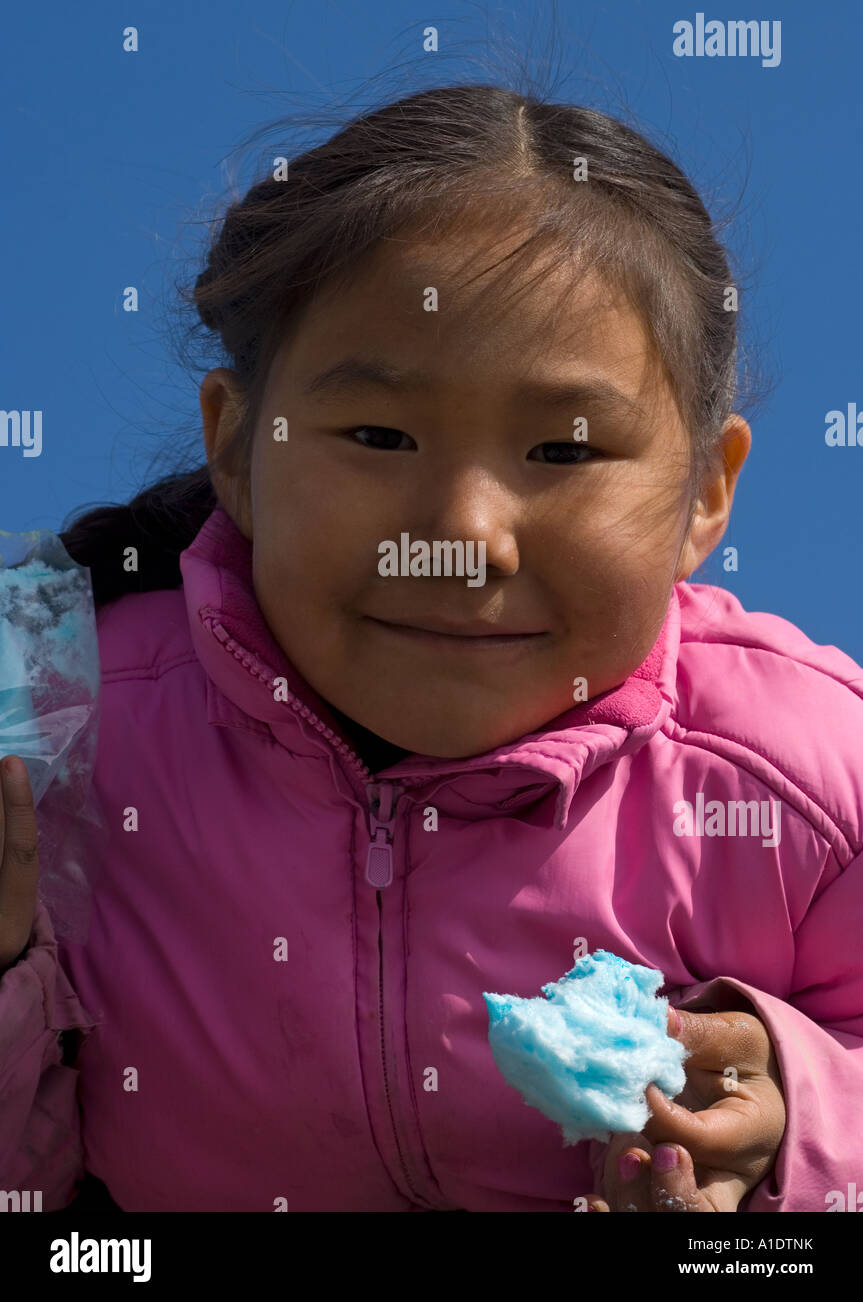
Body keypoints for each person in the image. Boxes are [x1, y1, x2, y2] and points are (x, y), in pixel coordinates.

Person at [1, 82, 860, 1213]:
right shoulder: (62, 741)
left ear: (704, 490)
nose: (459, 538)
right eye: (377, 435)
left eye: (561, 449)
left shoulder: (807, 782)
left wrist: (798, 1135)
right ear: (236, 448)